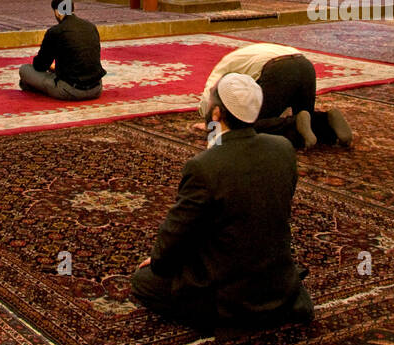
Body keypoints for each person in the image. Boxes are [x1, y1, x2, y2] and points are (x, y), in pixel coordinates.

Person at [132, 73, 313, 330]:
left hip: (228, 293)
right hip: (277, 282)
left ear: (216, 113)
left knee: (143, 280)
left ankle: (239, 313)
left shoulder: (204, 167)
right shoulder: (282, 147)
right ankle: (279, 301)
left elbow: (176, 233)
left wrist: (161, 263)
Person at [198, 41, 353, 150]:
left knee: (245, 127)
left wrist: (209, 122)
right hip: (305, 66)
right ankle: (326, 122)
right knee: (307, 118)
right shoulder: (239, 58)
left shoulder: (219, 74)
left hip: (278, 70)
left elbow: (210, 95)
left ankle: (293, 126)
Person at [18, 0, 106, 101]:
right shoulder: (91, 26)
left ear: (57, 12)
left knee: (24, 70)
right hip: (96, 89)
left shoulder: (55, 31)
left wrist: (51, 67)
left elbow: (40, 65)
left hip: (70, 90)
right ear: (73, 9)